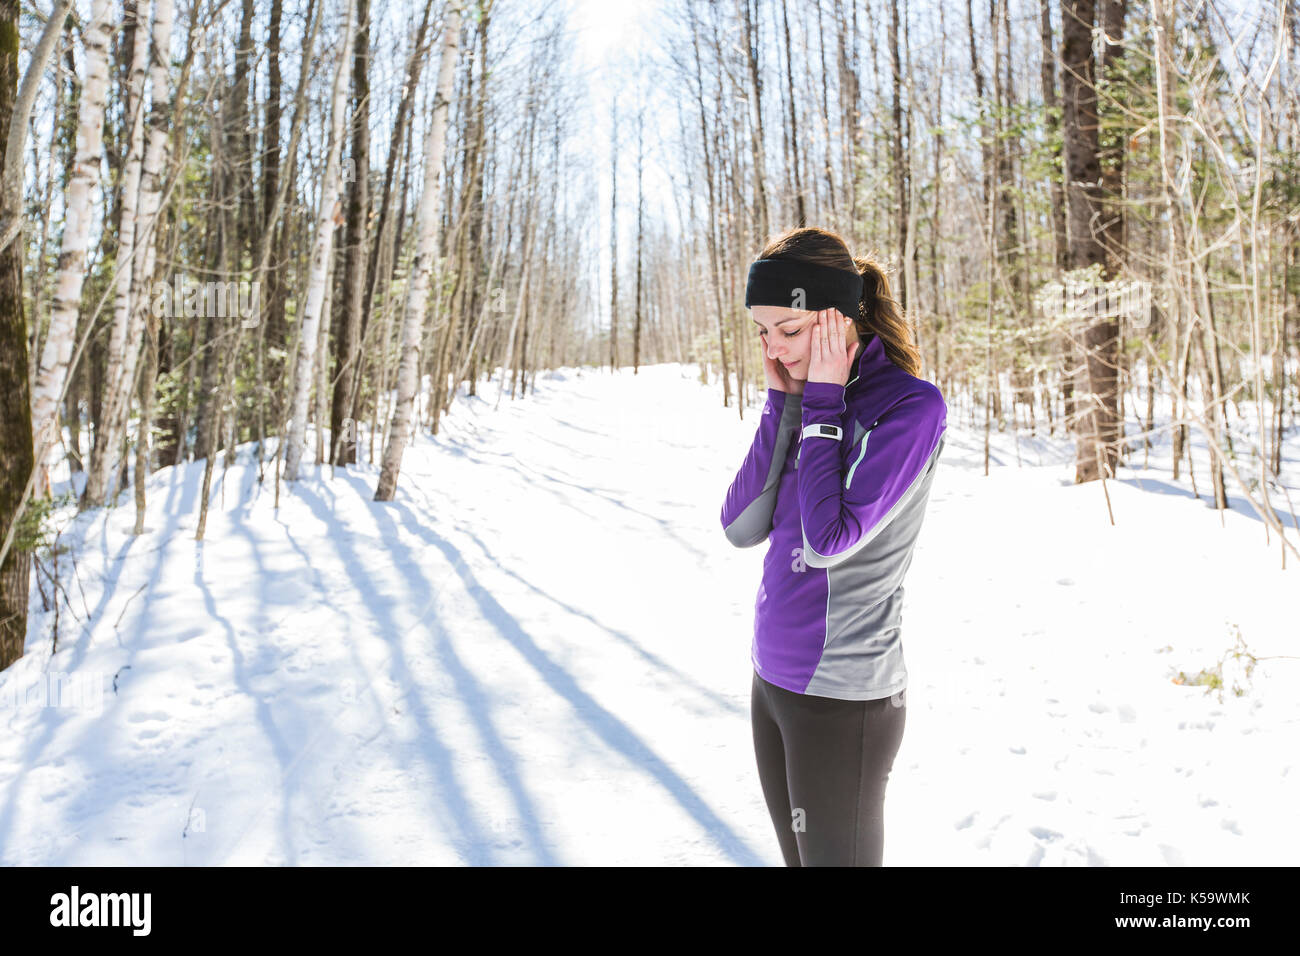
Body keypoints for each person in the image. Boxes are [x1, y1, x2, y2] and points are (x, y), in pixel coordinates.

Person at [719, 226, 948, 866]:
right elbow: (740, 526)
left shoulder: (907, 406)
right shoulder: (802, 399)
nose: (775, 348)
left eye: (789, 331)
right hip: (773, 679)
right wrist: (784, 406)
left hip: (842, 697)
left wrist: (820, 404)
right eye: (763, 332)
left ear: (839, 316)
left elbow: (827, 542)